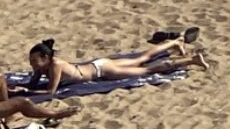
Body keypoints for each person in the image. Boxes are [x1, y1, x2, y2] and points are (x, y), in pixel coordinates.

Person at [25, 38, 207, 94]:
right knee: (141, 58)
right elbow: (33, 83)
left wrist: (25, 91)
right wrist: (27, 85)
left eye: (34, 60)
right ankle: (173, 43)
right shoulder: (42, 67)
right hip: (98, 64)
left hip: (103, 70)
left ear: (45, 57)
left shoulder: (55, 65)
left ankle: (191, 60)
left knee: (146, 69)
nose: (32, 64)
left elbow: (51, 91)